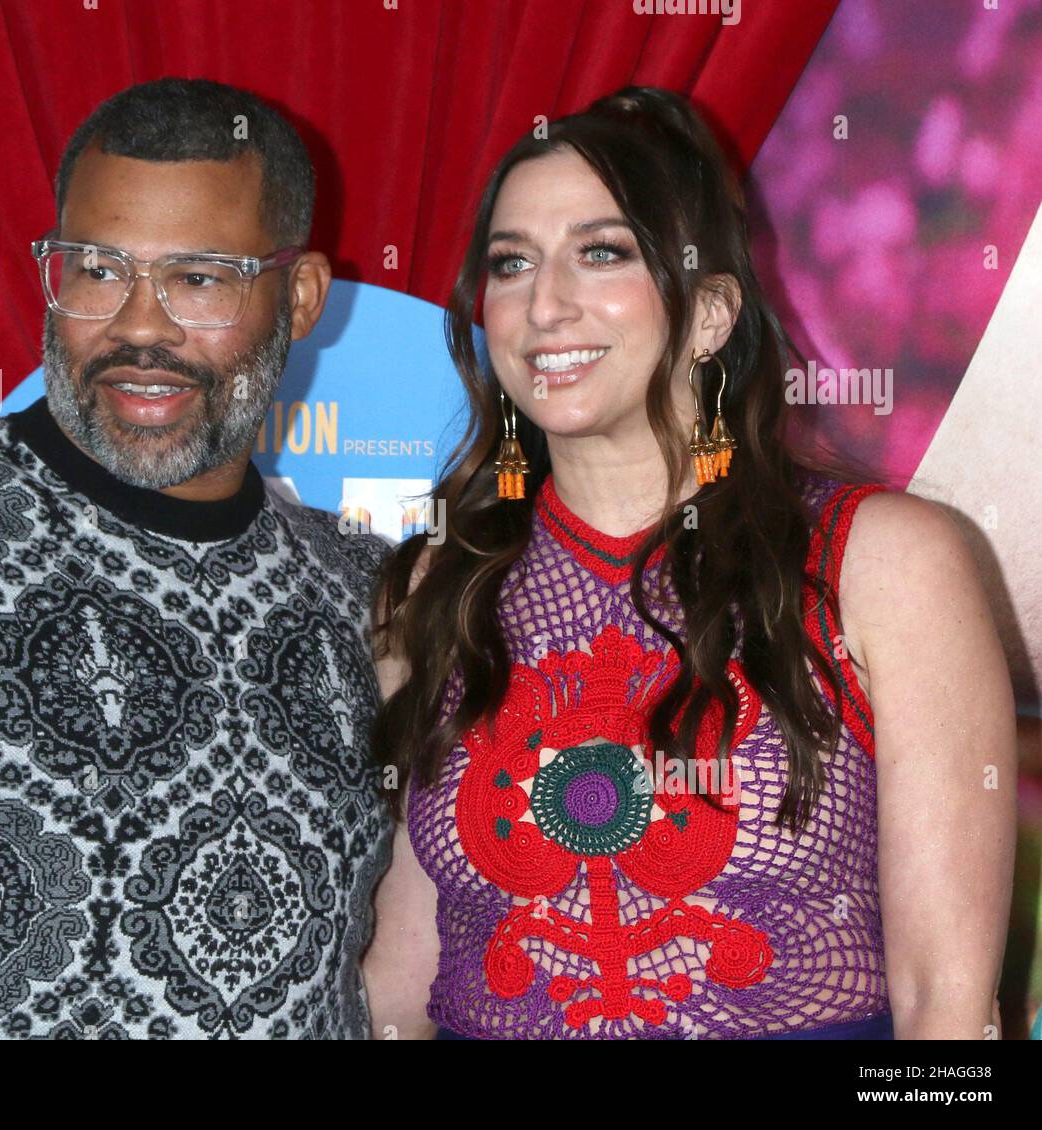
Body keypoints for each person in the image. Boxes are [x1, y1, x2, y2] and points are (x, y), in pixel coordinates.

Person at [0, 76, 392, 1040]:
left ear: (299, 299)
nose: (140, 326)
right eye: (96, 269)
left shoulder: (364, 593)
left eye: (200, 278)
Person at [362, 86, 1016, 1040]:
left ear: (711, 313)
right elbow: (407, 973)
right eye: (511, 263)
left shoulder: (882, 562)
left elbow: (946, 1010)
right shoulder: (434, 588)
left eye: (602, 252)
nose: (544, 304)